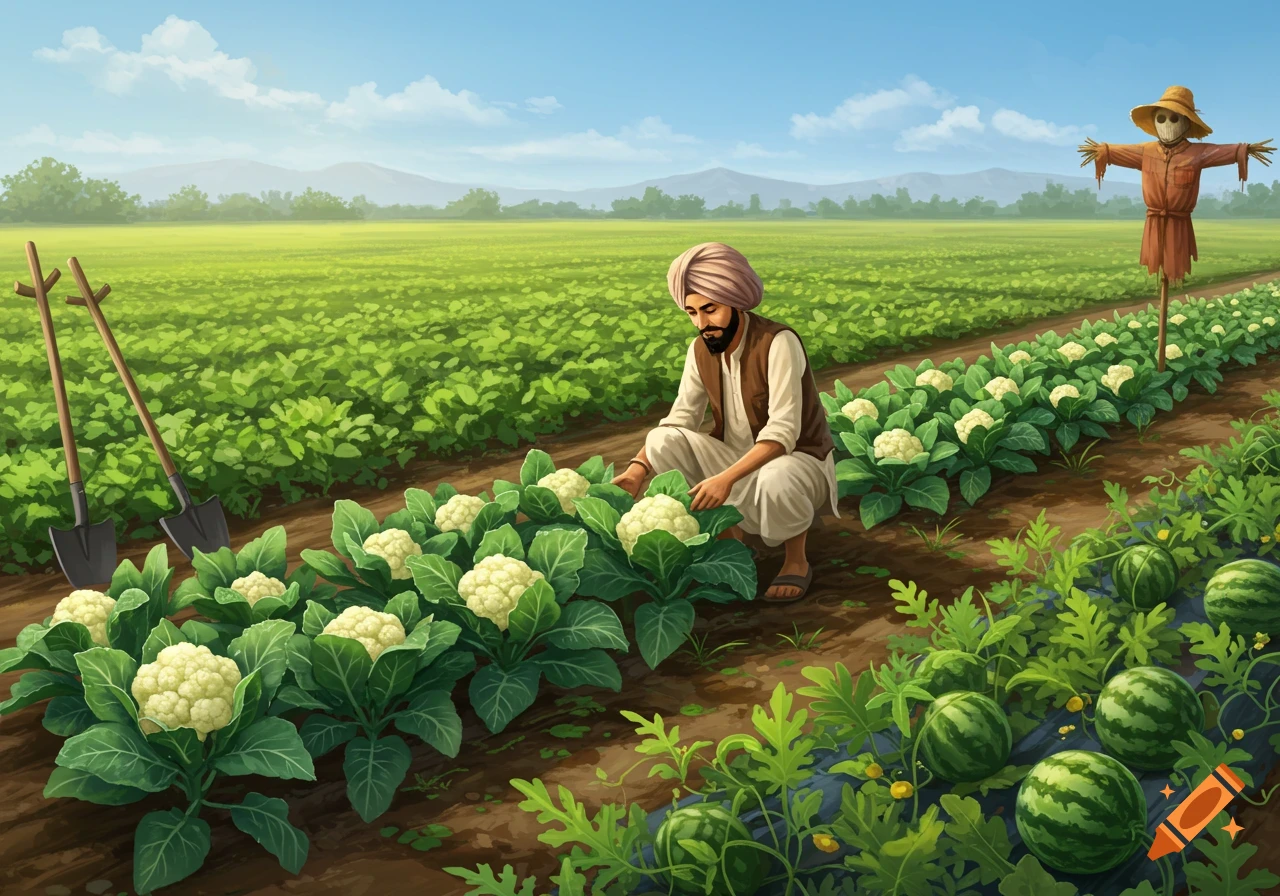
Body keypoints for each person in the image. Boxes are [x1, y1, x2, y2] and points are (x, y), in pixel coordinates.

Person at [611, 242, 837, 602]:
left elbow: (784, 433)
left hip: (796, 460)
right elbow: (680, 417)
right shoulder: (700, 349)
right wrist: (638, 470)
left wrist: (725, 479)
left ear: (734, 299)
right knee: (660, 440)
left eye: (710, 309)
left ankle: (796, 560)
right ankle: (733, 547)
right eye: (691, 313)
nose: (702, 323)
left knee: (778, 474)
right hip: (732, 457)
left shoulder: (778, 342)